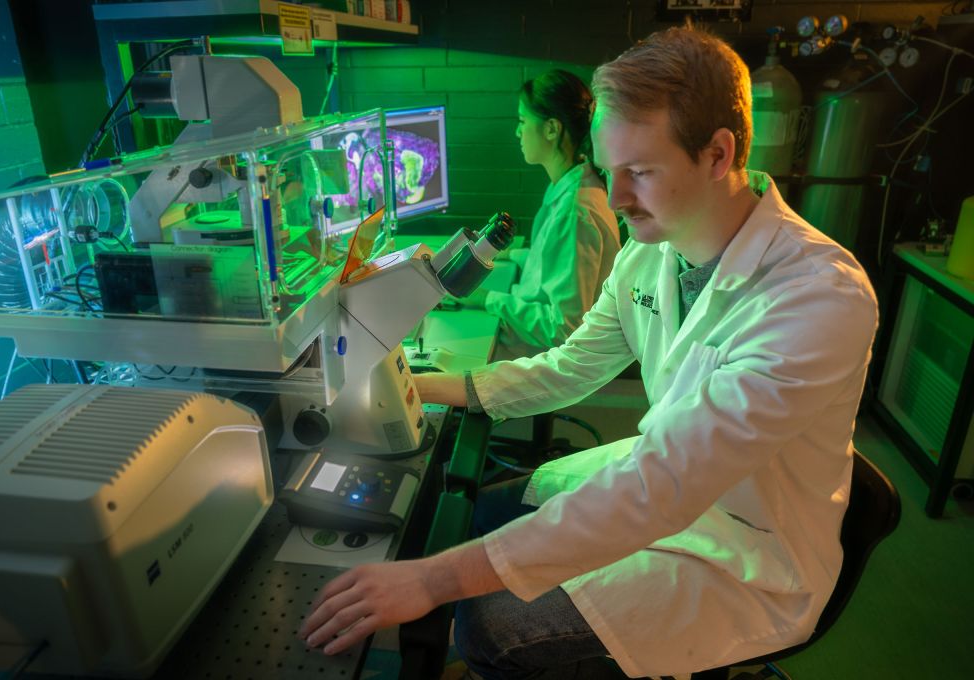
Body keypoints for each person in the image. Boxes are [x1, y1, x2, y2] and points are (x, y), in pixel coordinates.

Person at [300, 26, 878, 679]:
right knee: (479, 513)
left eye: (641, 172)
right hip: (664, 480)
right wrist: (415, 385)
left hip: (747, 552)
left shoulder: (817, 298)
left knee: (489, 624)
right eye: (609, 169)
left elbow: (667, 484)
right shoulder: (650, 252)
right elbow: (571, 367)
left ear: (717, 154)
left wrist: (432, 582)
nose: (617, 196)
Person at [459, 69, 621, 359]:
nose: (517, 132)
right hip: (536, 340)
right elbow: (553, 265)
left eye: (523, 121)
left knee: (455, 349)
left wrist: (486, 299)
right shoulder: (573, 181)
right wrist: (511, 254)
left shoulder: (575, 212)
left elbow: (564, 327)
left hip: (547, 355)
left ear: (551, 129)